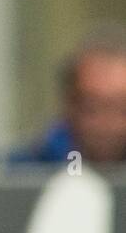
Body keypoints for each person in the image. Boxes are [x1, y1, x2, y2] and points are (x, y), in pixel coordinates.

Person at [15, 23, 126, 167]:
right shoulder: (23, 173)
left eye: (122, 108)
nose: (107, 124)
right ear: (68, 103)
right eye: (92, 108)